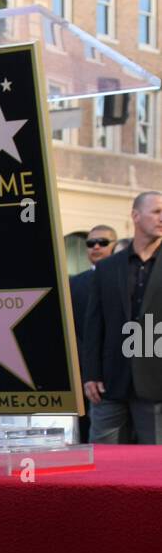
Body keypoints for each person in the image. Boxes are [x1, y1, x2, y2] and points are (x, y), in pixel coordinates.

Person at [82, 190, 162, 444]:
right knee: (103, 461)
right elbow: (94, 325)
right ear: (135, 216)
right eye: (157, 211)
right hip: (110, 383)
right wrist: (91, 374)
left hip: (157, 383)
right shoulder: (107, 268)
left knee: (155, 467)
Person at [69, 225, 117, 442]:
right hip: (82, 370)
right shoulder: (73, 284)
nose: (96, 247)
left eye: (103, 242)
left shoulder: (127, 278)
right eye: (90, 243)